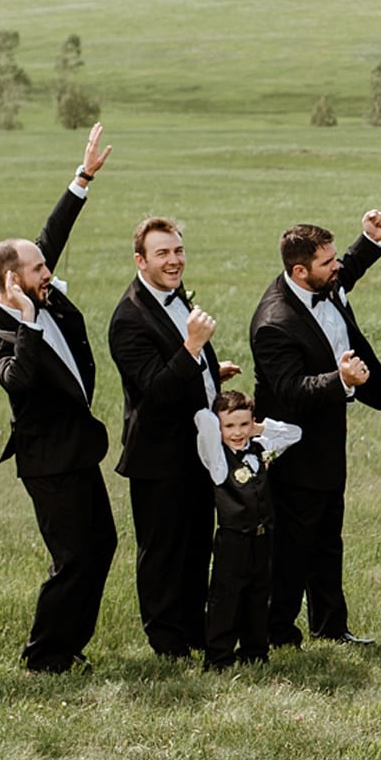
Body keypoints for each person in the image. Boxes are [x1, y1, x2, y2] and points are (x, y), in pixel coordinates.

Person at [0, 122, 116, 674]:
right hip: (48, 460)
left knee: (99, 548)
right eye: (37, 270)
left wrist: (81, 178)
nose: (48, 272)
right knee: (73, 557)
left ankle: (69, 646)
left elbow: (49, 238)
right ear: (12, 281)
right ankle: (43, 655)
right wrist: (31, 323)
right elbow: (19, 381)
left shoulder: (37, 280)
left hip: (79, 449)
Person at [248, 216, 381, 649]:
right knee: (293, 547)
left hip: (328, 440)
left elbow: (346, 269)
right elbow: (291, 391)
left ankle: (330, 626)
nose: (337, 268)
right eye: (327, 262)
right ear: (299, 272)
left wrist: (368, 241)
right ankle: (277, 631)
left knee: (329, 538)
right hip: (295, 449)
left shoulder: (322, 282)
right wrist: (343, 380)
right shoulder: (274, 323)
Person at [109, 215, 241, 659]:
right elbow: (158, 390)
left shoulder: (175, 296)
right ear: (140, 260)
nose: (173, 260)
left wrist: (209, 370)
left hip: (199, 450)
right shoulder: (128, 318)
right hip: (159, 454)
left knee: (196, 543)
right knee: (162, 551)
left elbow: (178, 372)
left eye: (178, 251)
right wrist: (192, 349)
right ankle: (167, 642)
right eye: (162, 253)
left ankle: (194, 628)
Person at [196, 391, 303, 669]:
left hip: (262, 536)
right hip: (233, 539)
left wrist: (259, 428)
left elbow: (294, 433)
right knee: (226, 597)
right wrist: (217, 409)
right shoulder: (217, 460)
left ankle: (255, 650)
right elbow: (203, 420)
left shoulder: (260, 448)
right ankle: (219, 656)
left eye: (243, 425)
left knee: (258, 593)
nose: (237, 432)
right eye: (230, 426)